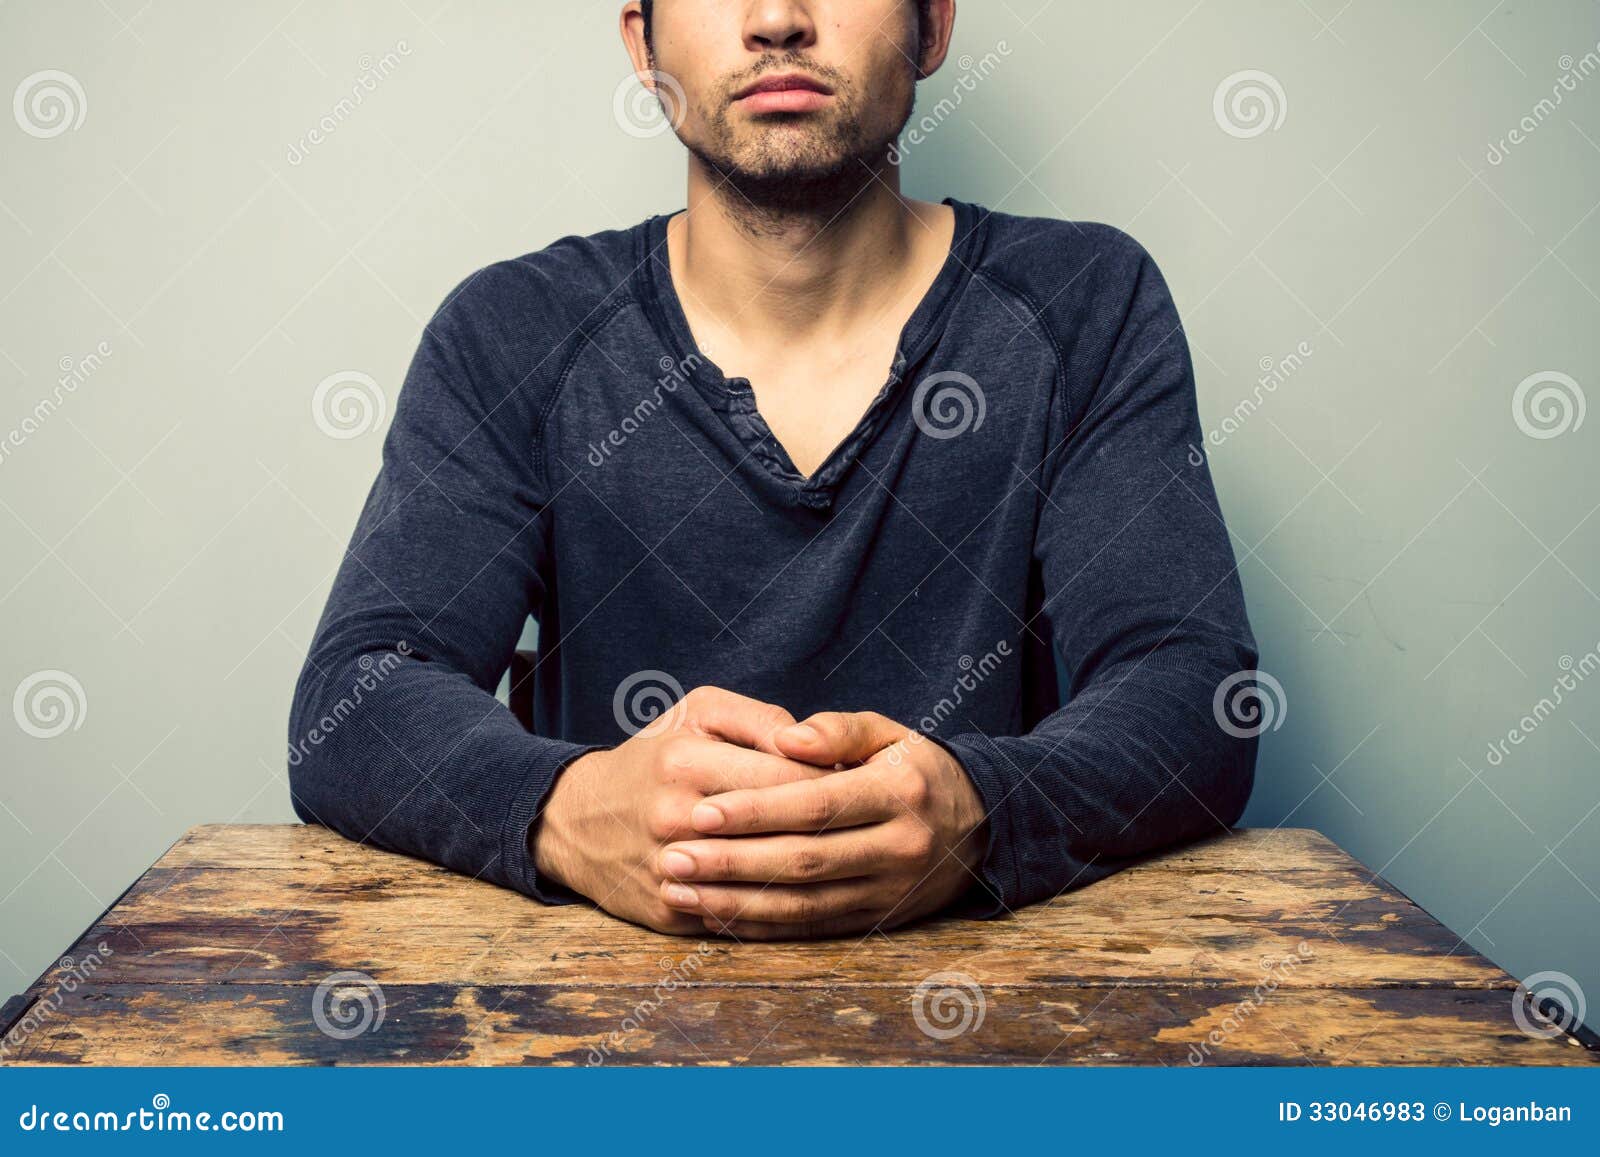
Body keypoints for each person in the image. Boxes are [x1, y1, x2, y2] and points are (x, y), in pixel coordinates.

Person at [288, 0, 1258, 940]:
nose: (777, 18)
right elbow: (357, 692)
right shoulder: (512, 331)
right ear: (643, 39)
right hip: (599, 1042)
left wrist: (976, 809)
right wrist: (568, 808)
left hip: (1001, 1047)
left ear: (934, 23)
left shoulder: (1084, 301)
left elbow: (1189, 685)